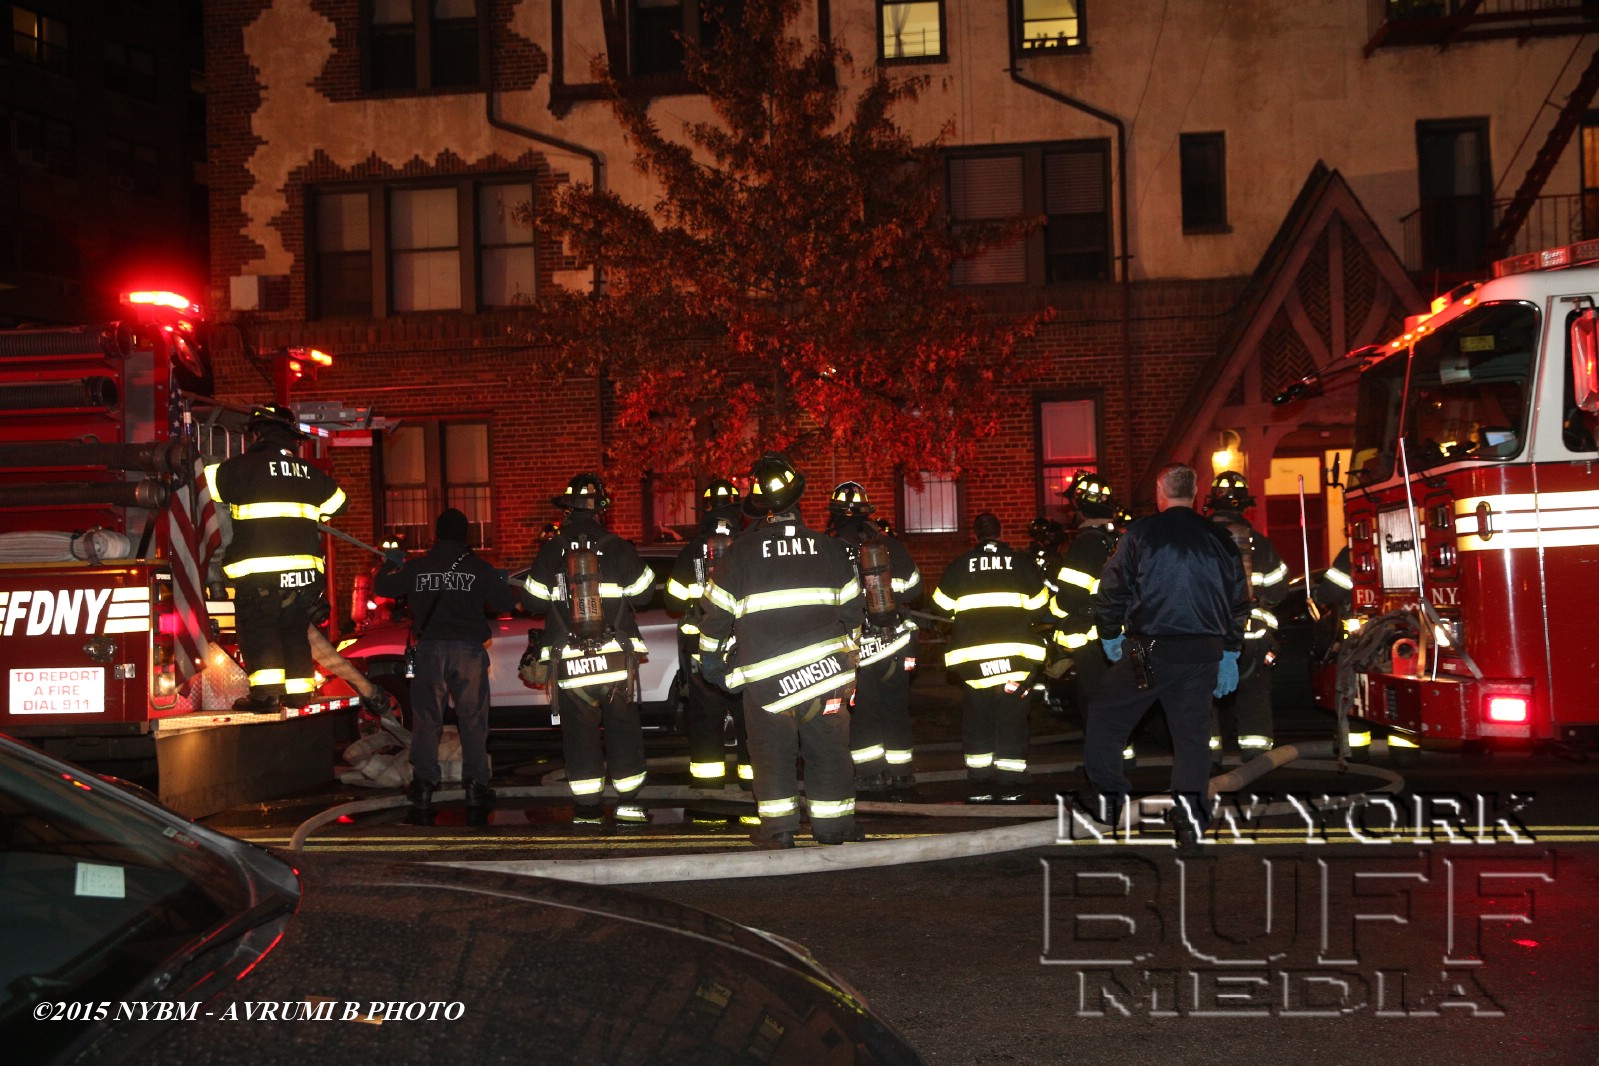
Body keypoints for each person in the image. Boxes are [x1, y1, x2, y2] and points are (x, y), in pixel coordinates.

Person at [697, 453, 864, 849]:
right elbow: (855, 614)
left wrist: (711, 661)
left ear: (757, 509)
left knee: (772, 756)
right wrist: (847, 663)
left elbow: (716, 617)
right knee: (829, 752)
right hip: (827, 680)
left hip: (767, 687)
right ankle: (833, 827)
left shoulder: (738, 554)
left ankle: (778, 830)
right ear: (798, 499)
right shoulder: (832, 549)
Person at [1083, 462, 1249, 846]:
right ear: (1194, 492)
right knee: (1192, 736)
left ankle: (1109, 800)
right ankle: (1190, 820)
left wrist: (1109, 634)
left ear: (1160, 491)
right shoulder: (1220, 538)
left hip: (1148, 649)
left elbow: (1113, 590)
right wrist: (1229, 651)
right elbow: (1239, 603)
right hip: (1202, 653)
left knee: (1109, 718)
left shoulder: (1140, 534)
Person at [521, 474, 655, 824]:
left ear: (567, 508)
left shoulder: (552, 548)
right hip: (615, 659)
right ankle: (629, 804)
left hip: (570, 661)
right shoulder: (618, 547)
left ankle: (587, 809)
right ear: (602, 510)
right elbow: (644, 594)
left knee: (580, 735)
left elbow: (532, 602)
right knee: (623, 730)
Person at [373, 508, 512, 825]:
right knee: (473, 720)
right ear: (466, 536)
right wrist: (498, 581)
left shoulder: (417, 568)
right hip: (468, 652)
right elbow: (506, 603)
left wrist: (388, 564)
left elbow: (383, 589)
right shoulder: (478, 568)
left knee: (426, 720)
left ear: (436, 534)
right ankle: (476, 787)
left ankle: (423, 786)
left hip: (430, 652)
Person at [206, 404, 346, 712]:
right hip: (305, 577)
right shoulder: (309, 472)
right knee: (294, 632)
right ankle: (298, 694)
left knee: (260, 629)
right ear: (292, 438)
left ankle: (265, 696)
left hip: (259, 573)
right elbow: (339, 503)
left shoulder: (240, 468)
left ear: (256, 434)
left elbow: (210, 487)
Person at [931, 513, 1050, 803]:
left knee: (978, 719)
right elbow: (1040, 606)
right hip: (1015, 660)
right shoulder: (1021, 563)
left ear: (976, 535)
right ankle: (1010, 782)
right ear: (1000, 531)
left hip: (974, 663)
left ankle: (980, 781)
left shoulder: (960, 565)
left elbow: (940, 607)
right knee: (1011, 718)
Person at [827, 481, 922, 795]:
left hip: (857, 649)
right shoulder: (888, 545)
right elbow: (915, 587)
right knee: (895, 710)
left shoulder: (832, 549)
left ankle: (871, 775)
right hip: (895, 643)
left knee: (862, 712)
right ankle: (902, 774)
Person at [664, 478, 750, 789]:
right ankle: (752, 784)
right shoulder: (749, 547)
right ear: (739, 509)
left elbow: (671, 601)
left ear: (705, 510)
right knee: (747, 718)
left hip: (701, 652)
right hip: (744, 652)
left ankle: (708, 789)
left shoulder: (690, 552)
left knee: (704, 720)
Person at [1203, 471, 1290, 760]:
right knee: (1254, 697)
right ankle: (1256, 761)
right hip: (1252, 637)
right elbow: (1278, 591)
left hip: (1206, 634)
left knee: (1203, 699)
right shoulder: (1260, 543)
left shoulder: (1196, 540)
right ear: (1245, 504)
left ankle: (1207, 759)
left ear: (1211, 502)